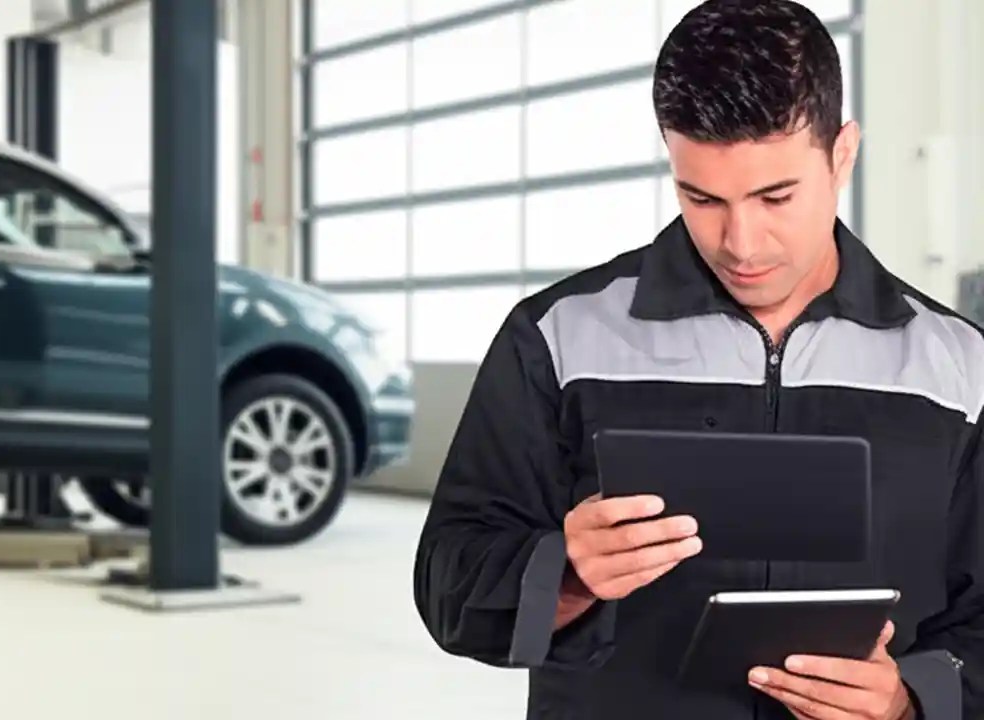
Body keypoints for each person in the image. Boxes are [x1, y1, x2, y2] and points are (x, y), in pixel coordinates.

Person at [412, 1, 984, 718]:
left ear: (842, 154)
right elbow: (448, 582)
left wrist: (910, 699)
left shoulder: (961, 369)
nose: (740, 242)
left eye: (776, 196)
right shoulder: (559, 337)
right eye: (701, 197)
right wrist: (567, 573)